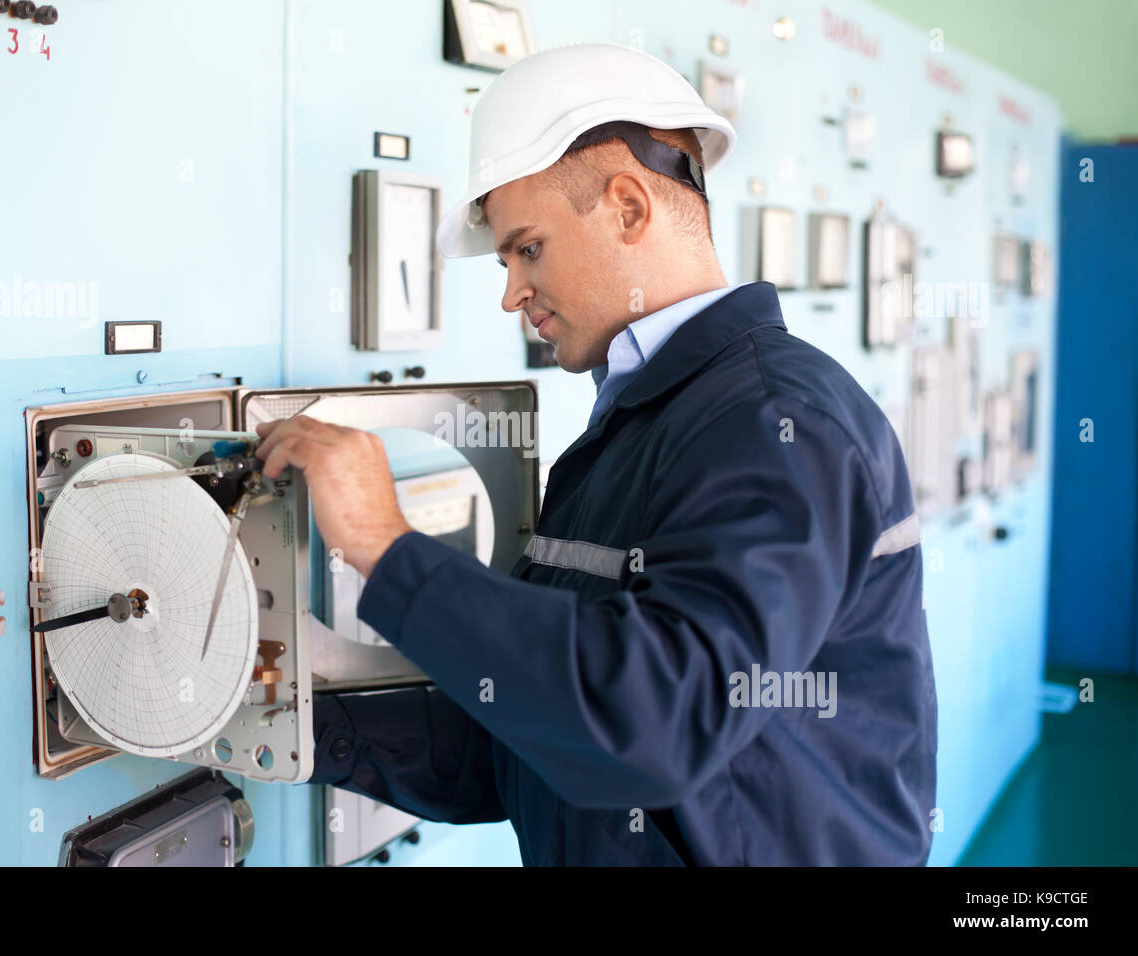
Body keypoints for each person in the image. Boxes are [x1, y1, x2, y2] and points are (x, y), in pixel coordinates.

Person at [254, 42, 937, 865]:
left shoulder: (778, 423)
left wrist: (385, 549)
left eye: (528, 249)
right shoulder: (640, 423)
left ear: (628, 208)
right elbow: (531, 730)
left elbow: (660, 721)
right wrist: (281, 719)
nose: (511, 293)